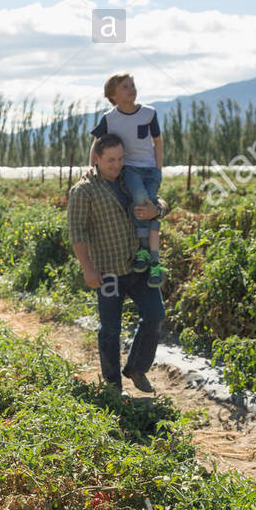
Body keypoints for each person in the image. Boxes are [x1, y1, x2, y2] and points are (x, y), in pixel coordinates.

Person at [67, 133, 165, 393]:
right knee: (110, 329)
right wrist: (88, 268)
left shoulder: (129, 180)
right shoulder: (84, 190)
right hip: (108, 272)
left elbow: (159, 199)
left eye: (121, 158)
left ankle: (136, 367)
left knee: (155, 315)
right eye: (111, 160)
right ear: (96, 159)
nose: (117, 164)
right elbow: (76, 232)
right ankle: (113, 387)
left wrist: (158, 210)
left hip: (139, 266)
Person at [87, 73, 168, 288]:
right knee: (141, 198)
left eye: (132, 85)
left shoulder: (149, 113)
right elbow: (97, 143)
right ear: (112, 95)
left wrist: (158, 169)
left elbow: (158, 142)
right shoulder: (110, 118)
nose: (131, 89)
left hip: (150, 169)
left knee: (150, 204)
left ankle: (151, 258)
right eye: (125, 87)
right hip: (130, 168)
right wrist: (91, 167)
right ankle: (147, 253)